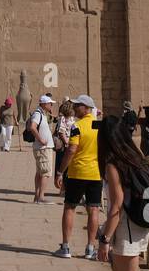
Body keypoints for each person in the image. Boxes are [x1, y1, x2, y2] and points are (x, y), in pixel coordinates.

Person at [94, 115, 149, 271]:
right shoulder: (132, 156)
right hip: (132, 224)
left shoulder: (112, 163)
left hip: (126, 225)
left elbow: (116, 204)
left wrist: (104, 239)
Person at [54, 95, 103, 259]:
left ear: (87, 108)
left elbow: (72, 149)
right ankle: (90, 248)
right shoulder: (99, 125)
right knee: (94, 209)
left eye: (78, 106)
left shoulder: (77, 126)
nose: (74, 108)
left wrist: (60, 171)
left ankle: (66, 247)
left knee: (70, 207)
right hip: (95, 173)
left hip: (77, 172)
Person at [27, 96, 55, 202]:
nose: (51, 105)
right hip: (43, 148)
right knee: (46, 172)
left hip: (43, 148)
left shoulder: (42, 114)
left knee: (40, 172)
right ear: (44, 104)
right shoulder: (38, 114)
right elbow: (32, 127)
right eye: (50, 103)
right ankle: (41, 197)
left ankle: (37, 196)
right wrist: (41, 140)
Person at [54, 97, 77, 186]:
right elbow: (61, 132)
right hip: (64, 146)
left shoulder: (72, 118)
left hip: (70, 144)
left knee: (68, 167)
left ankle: (66, 186)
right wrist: (67, 142)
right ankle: (62, 187)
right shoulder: (62, 118)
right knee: (62, 165)